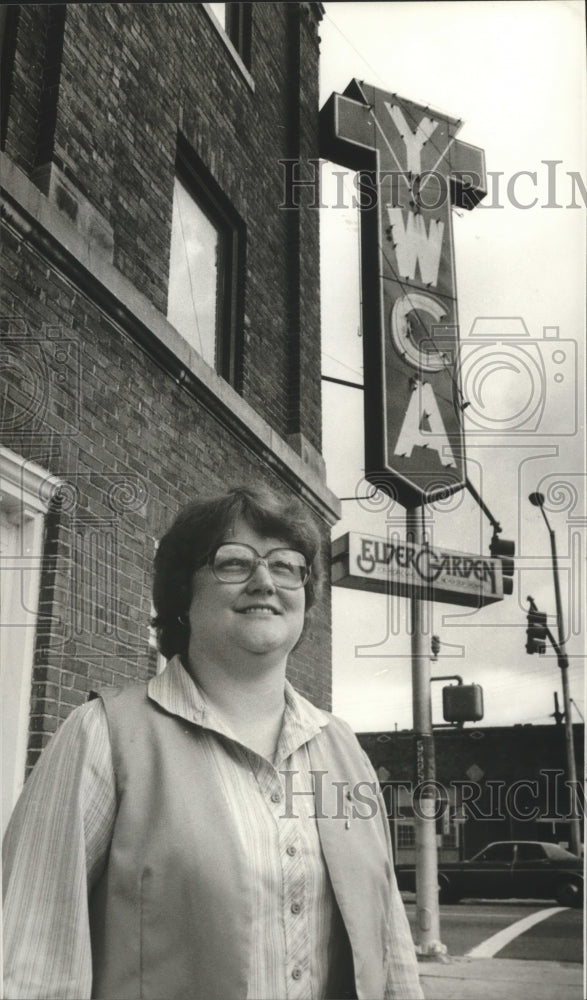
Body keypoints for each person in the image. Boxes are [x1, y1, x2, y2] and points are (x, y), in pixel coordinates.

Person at [3, 485, 424, 1000]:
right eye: (234, 562)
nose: (264, 581)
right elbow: (31, 965)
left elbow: (389, 945)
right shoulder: (102, 736)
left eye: (286, 566)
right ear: (184, 593)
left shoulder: (344, 750)